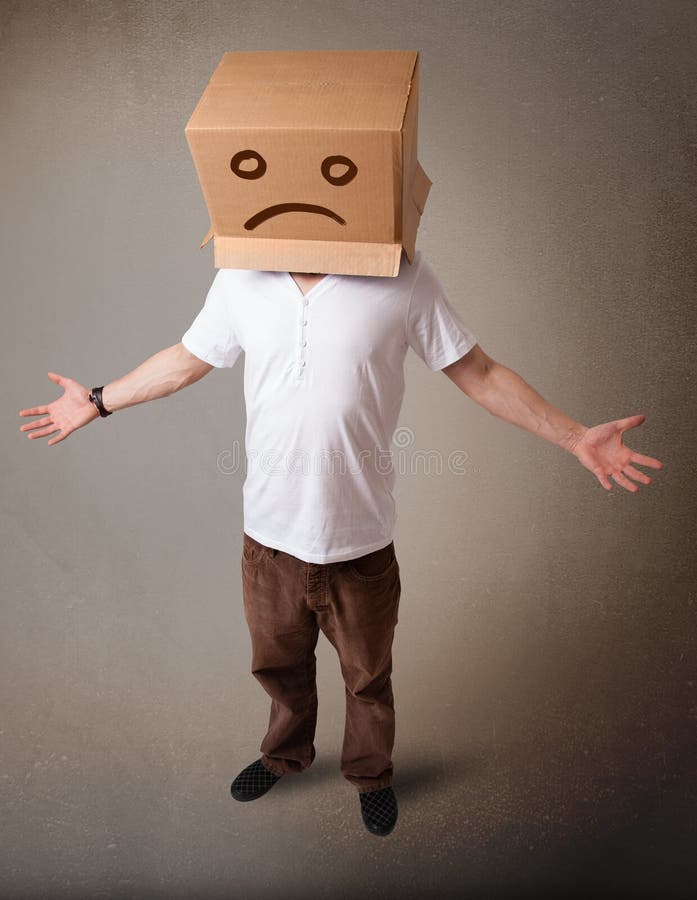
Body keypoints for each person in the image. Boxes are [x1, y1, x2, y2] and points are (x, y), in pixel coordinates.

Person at [18, 252, 663, 837]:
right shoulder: (243, 277)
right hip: (269, 542)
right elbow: (188, 357)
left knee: (368, 680)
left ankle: (370, 774)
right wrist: (99, 401)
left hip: (360, 545)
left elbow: (480, 371)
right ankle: (284, 755)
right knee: (279, 668)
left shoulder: (401, 276)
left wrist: (575, 435)